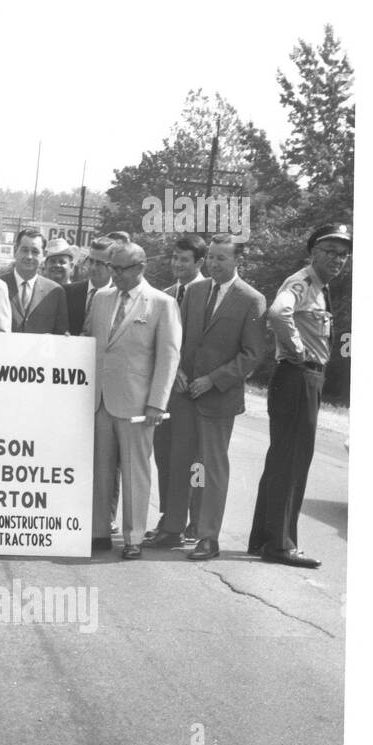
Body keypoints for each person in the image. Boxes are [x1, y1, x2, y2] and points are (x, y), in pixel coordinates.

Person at [146, 235, 265, 561]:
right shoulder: (195, 292)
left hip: (218, 400)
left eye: (221, 259)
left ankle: (207, 538)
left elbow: (253, 354)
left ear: (237, 261)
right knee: (178, 461)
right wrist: (180, 372)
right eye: (210, 257)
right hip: (184, 395)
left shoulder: (251, 300)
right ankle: (172, 529)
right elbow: (178, 337)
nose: (213, 263)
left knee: (209, 469)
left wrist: (213, 380)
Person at [247, 224, 351, 569]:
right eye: (330, 251)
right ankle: (281, 545)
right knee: (292, 461)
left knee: (283, 459)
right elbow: (278, 312)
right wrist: (297, 349)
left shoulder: (320, 289)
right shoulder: (302, 283)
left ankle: (264, 537)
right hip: (299, 376)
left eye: (343, 254)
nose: (338, 259)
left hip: (304, 378)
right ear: (312, 253)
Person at [84, 241, 181, 559]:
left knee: (135, 473)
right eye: (111, 268)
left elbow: (169, 357)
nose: (114, 274)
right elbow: (92, 344)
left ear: (140, 267)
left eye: (121, 269)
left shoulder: (162, 303)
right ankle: (98, 531)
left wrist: (157, 402)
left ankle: (133, 538)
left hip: (138, 406)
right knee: (99, 470)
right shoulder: (101, 298)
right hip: (100, 401)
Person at [152, 234, 208, 541]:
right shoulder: (166, 294)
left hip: (196, 393)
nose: (177, 264)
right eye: (174, 258)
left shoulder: (208, 294)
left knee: (194, 463)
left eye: (184, 259)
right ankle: (168, 519)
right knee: (165, 456)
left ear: (199, 262)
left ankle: (194, 522)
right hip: (169, 389)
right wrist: (173, 374)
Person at [0, 228, 69, 333]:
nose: (29, 256)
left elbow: (61, 333)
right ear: (15, 251)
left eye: (35, 251)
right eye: (24, 250)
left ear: (44, 254)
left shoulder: (55, 292)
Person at [64, 237, 114, 335]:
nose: (93, 267)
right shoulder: (67, 292)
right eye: (91, 261)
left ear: (112, 265)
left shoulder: (118, 297)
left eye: (99, 263)